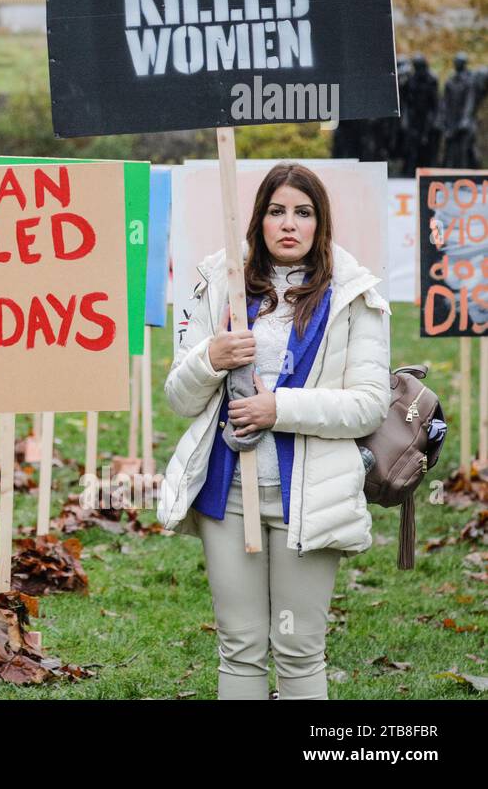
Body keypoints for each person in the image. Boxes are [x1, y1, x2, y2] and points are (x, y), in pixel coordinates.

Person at [157, 163, 390, 701]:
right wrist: (210, 359)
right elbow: (179, 397)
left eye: (303, 213)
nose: (289, 224)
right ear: (257, 220)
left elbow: (368, 406)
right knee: (239, 646)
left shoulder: (357, 295)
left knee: (299, 648)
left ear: (320, 222)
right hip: (228, 495)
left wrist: (276, 408)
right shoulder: (217, 283)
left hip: (308, 498)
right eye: (276, 211)